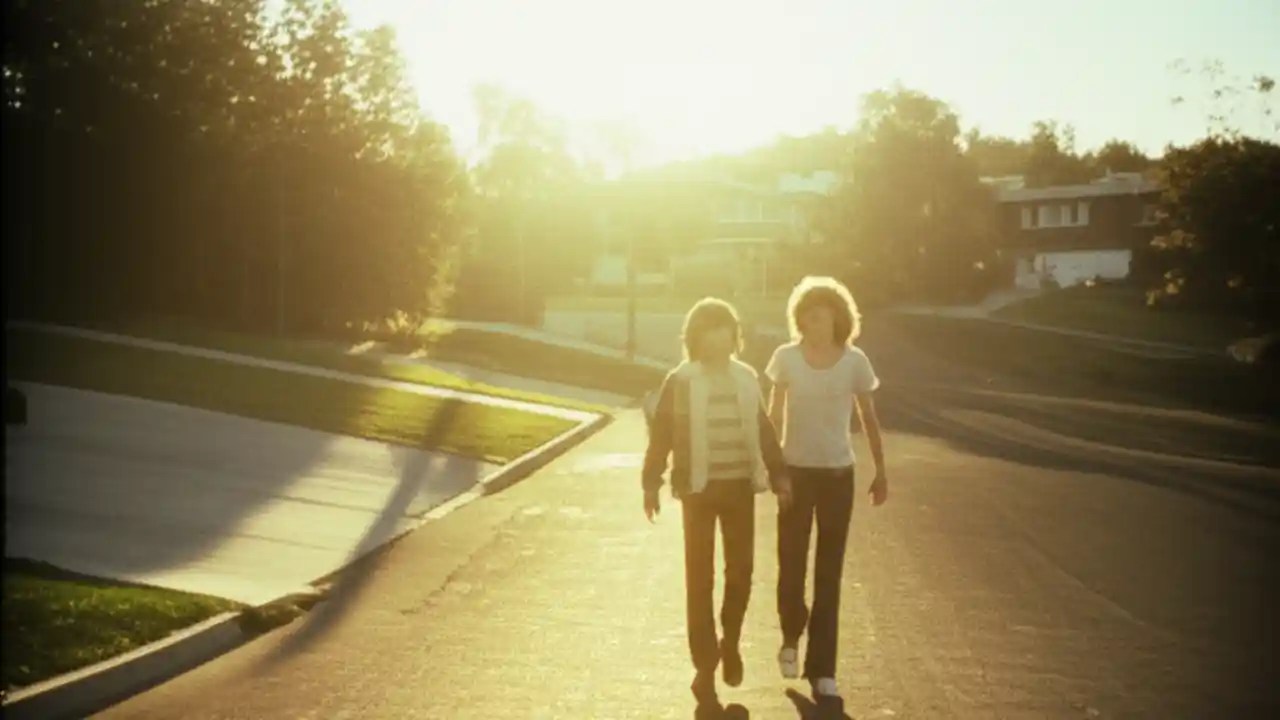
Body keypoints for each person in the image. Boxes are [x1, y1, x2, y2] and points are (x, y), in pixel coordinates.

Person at [642, 297, 793, 713]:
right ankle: (705, 666)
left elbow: (763, 429)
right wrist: (650, 482)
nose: (716, 338)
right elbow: (662, 433)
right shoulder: (682, 380)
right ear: (695, 339)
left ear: (733, 335)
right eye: (707, 331)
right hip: (698, 491)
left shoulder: (746, 378)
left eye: (723, 329)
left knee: (741, 573)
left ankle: (730, 640)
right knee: (700, 580)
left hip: (740, 487)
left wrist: (780, 476)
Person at [765, 276, 887, 710]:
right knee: (791, 563)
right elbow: (772, 416)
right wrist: (773, 470)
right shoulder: (786, 359)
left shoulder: (855, 362)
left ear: (838, 317)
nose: (812, 324)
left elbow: (868, 418)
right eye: (806, 317)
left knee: (829, 574)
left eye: (820, 316)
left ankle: (824, 670)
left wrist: (881, 469)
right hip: (795, 474)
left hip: (838, 476)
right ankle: (790, 635)